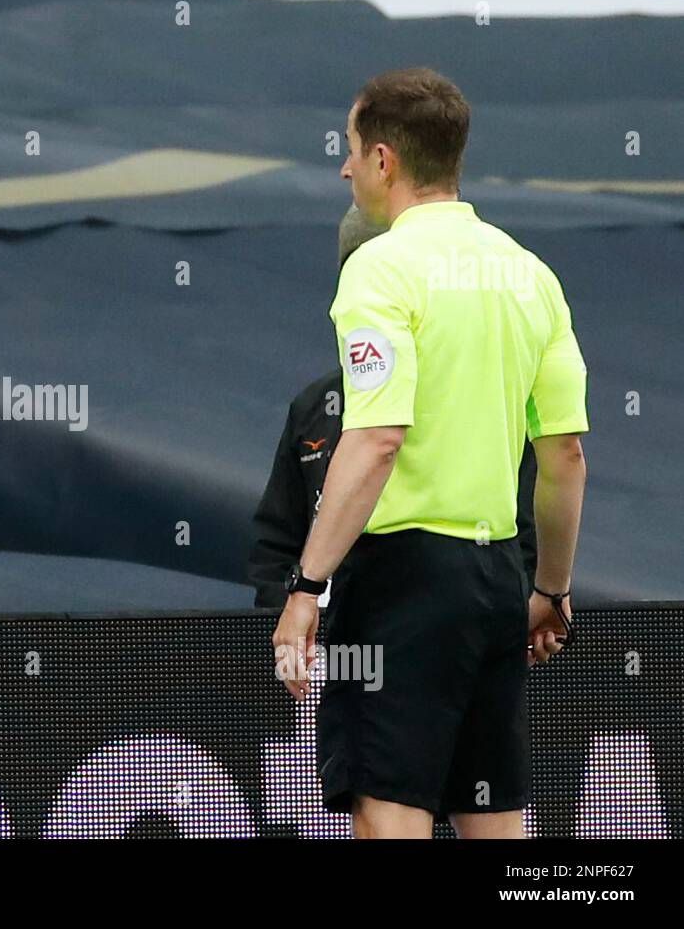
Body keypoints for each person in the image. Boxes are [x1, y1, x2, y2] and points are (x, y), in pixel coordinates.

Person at [270, 68, 588, 839]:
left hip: (403, 585)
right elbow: (566, 457)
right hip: (495, 578)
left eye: (350, 151)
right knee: (493, 819)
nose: (344, 168)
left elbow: (377, 437)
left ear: (384, 160)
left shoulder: (379, 268)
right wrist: (549, 588)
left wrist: (307, 585)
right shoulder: (530, 274)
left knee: (390, 815)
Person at [247, 206, 539, 608]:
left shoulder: (483, 406)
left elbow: (521, 539)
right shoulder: (315, 407)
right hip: (326, 642)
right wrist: (291, 614)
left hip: (431, 624)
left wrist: (526, 603)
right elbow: (276, 541)